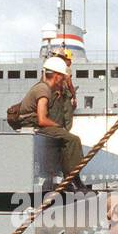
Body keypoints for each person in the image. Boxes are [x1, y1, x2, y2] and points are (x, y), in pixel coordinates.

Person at [22, 56, 85, 186]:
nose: (64, 79)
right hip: (34, 125)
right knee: (73, 140)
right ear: (56, 76)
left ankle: (71, 178)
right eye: (62, 76)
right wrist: (58, 127)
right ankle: (72, 179)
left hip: (36, 125)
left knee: (65, 140)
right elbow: (42, 119)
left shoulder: (46, 88)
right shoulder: (43, 89)